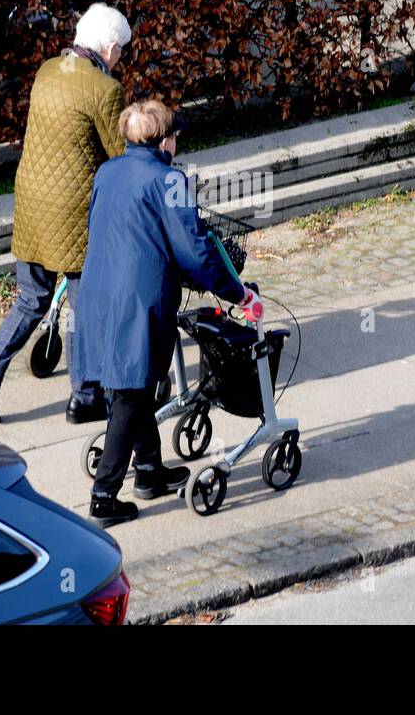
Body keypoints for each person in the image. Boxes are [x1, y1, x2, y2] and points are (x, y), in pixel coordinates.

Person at [73, 100, 263, 528]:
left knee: (134, 388)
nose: (177, 141)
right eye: (175, 135)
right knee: (129, 394)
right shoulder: (169, 180)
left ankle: (149, 471)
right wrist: (237, 292)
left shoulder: (108, 171)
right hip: (137, 302)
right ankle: (104, 495)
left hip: (99, 294)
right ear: (164, 141)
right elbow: (196, 253)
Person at [0, 3, 129, 425]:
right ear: (109, 48)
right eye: (122, 51)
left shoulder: (48, 70)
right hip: (73, 214)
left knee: (31, 299)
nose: (122, 59)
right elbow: (120, 155)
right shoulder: (105, 90)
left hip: (32, 204)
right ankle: (84, 398)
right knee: (81, 307)